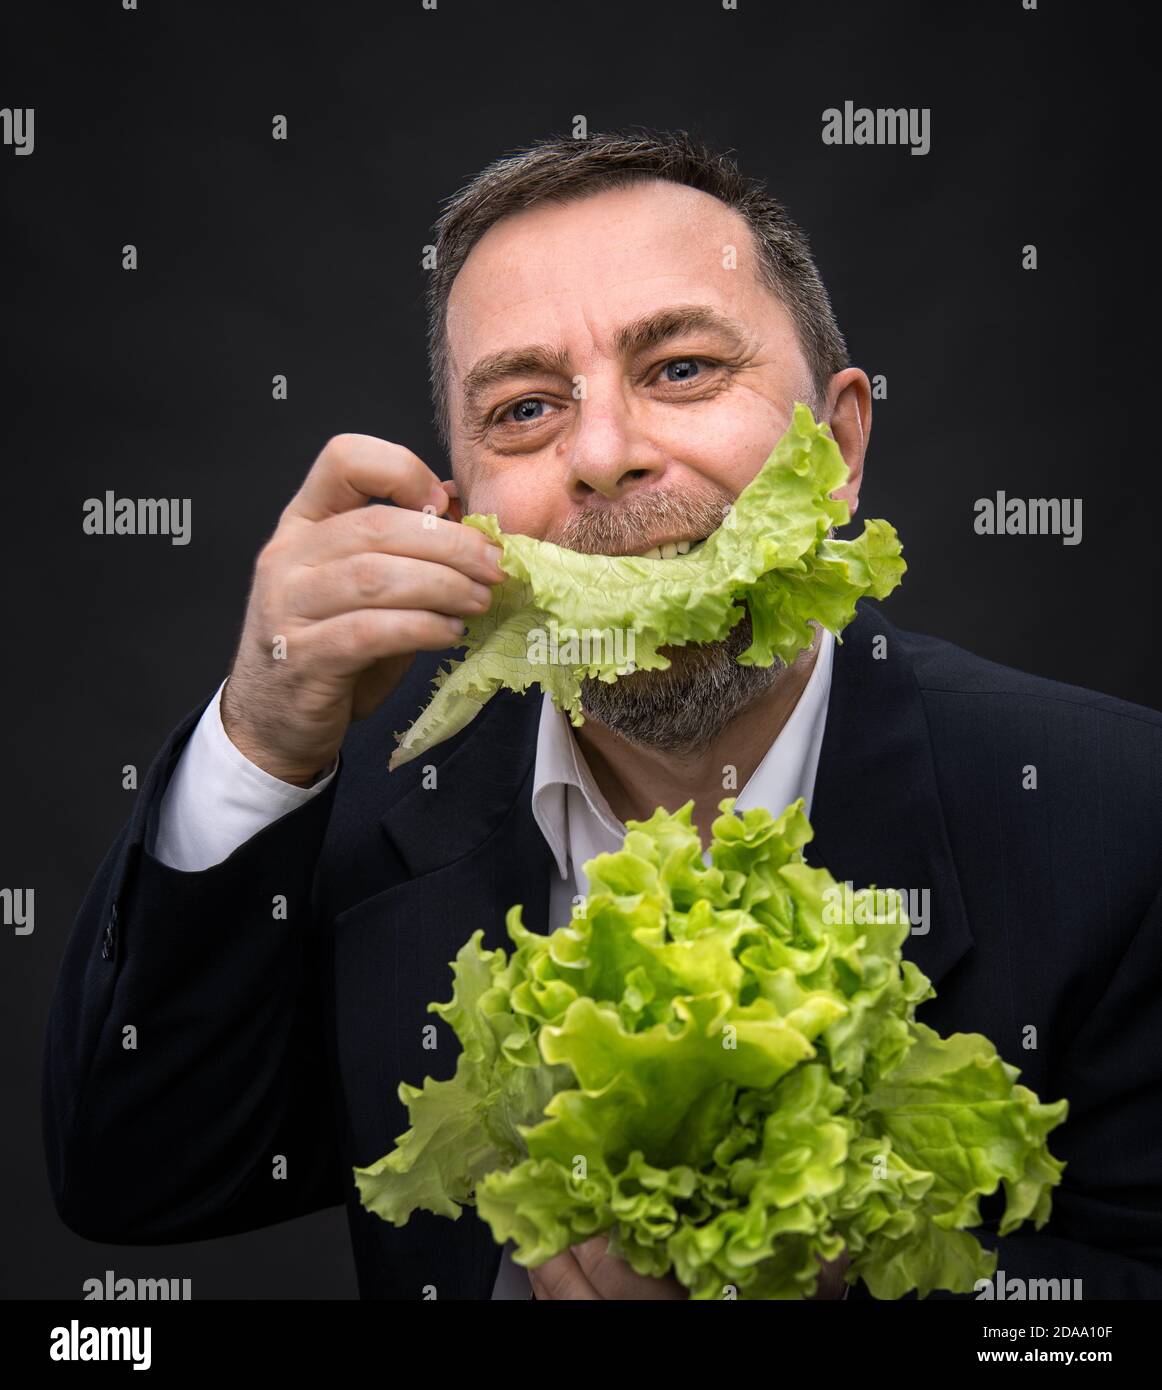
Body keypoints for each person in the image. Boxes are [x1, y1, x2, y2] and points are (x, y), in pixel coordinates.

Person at [42, 130, 1162, 1300]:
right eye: (524, 408)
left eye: (679, 369)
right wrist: (262, 740)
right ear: (461, 512)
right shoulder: (360, 828)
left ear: (835, 447)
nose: (604, 455)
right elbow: (136, 1174)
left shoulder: (1114, 819)